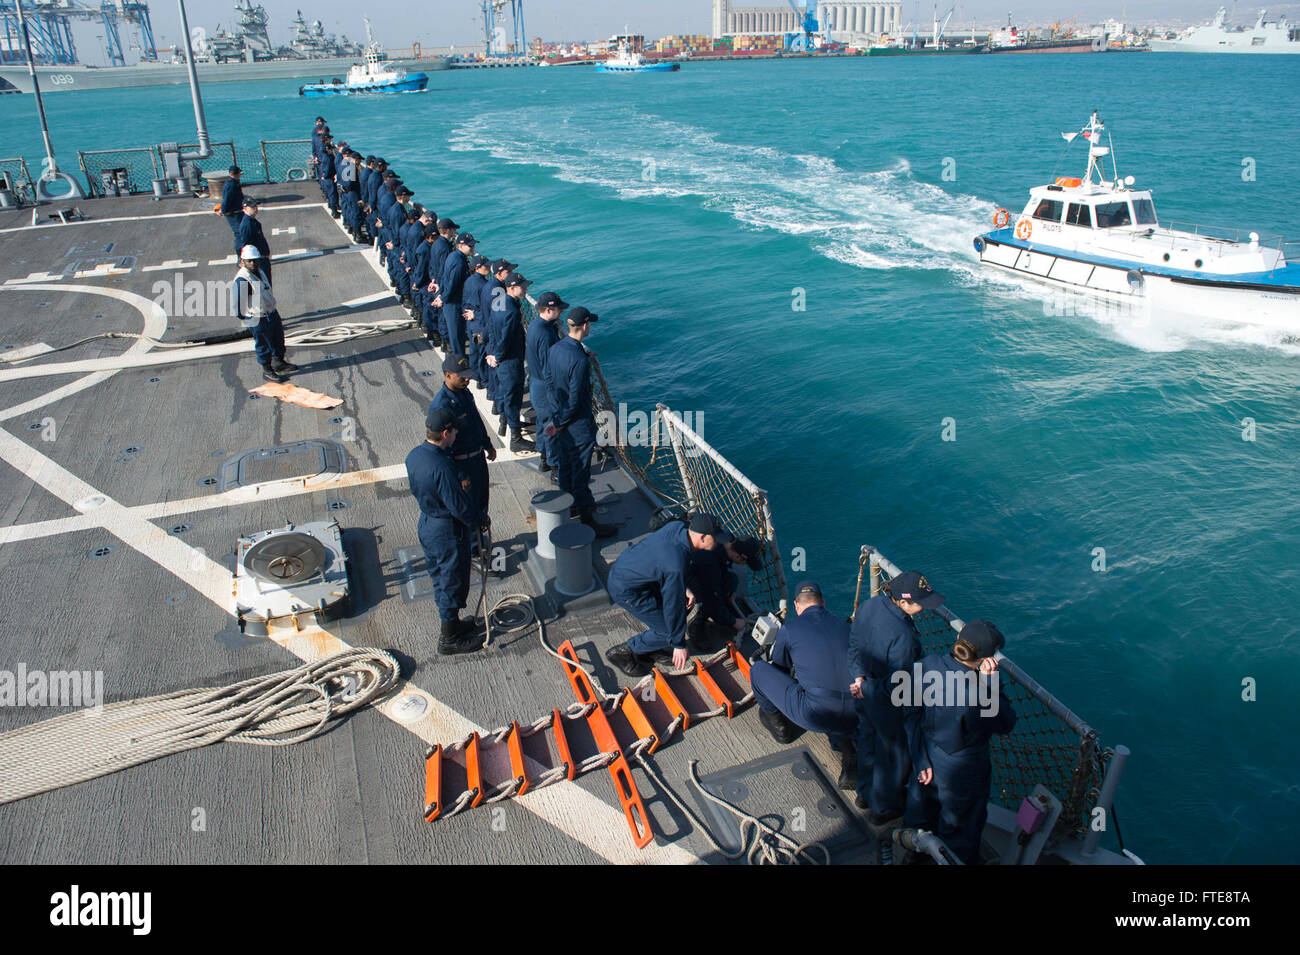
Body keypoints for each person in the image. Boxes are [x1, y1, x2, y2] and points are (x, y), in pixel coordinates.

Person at [907, 620, 1017, 865]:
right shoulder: (978, 693)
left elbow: (910, 713)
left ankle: (914, 854)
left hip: (928, 755)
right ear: (986, 659)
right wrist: (990, 683)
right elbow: (1005, 723)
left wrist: (920, 758)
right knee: (961, 830)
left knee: (920, 816)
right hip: (963, 771)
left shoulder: (927, 665)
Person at [848, 569, 941, 826]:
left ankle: (864, 794)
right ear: (903, 601)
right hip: (884, 702)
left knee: (867, 740)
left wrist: (859, 681)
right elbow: (897, 685)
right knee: (893, 754)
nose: (924, 606)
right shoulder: (905, 638)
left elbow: (854, 644)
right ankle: (883, 808)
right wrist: (868, 689)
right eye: (921, 602)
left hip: (862, 686)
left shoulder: (870, 605)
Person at [749, 581, 859, 789]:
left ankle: (780, 727)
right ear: (823, 603)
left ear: (796, 606)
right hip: (857, 713)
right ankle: (850, 754)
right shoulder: (848, 628)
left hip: (816, 714)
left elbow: (780, 670)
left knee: (759, 671)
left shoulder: (789, 629)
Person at [604, 512, 728, 677]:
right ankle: (624, 651)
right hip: (628, 589)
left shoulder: (677, 528)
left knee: (681, 608)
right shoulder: (675, 564)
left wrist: (685, 587)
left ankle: (654, 646)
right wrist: (678, 644)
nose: (719, 541)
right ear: (703, 537)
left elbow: (662, 560)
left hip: (635, 571)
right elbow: (672, 603)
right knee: (669, 632)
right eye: (716, 537)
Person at [405, 406, 483, 655]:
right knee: (452, 578)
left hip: (428, 523)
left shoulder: (415, 456)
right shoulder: (443, 467)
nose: (456, 436)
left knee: (440, 575)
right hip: (447, 530)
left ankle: (454, 624)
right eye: (454, 432)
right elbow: (459, 506)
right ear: (446, 433)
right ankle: (448, 639)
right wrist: (480, 520)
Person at [543, 306, 614, 536]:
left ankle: (568, 506)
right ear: (585, 326)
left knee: (565, 466)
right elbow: (575, 400)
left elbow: (550, 382)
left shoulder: (556, 349)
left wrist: (556, 418)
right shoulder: (580, 361)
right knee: (581, 472)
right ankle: (587, 520)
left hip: (559, 418)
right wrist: (563, 421)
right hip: (578, 425)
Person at [428, 353, 496, 528]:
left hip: (477, 458)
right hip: (462, 464)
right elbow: (441, 446)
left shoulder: (464, 393)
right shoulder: (442, 406)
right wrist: (460, 475)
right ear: (448, 375)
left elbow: (476, 421)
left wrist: (488, 444)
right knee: (469, 508)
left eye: (468, 376)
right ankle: (474, 548)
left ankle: (482, 542)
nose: (467, 380)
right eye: (462, 376)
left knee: (482, 502)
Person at [485, 272, 536, 455]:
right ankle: (516, 439)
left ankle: (505, 423)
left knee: (506, 393)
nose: (526, 289)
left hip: (500, 358)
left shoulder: (498, 303)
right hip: (510, 361)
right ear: (512, 287)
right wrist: (497, 356)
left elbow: (491, 328)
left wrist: (491, 353)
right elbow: (506, 339)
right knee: (513, 397)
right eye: (523, 286)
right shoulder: (512, 312)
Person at [231, 245, 297, 383]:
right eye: (249, 261)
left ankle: (278, 362)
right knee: (263, 345)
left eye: (255, 260)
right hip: (258, 317)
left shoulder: (260, 271)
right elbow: (237, 307)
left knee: (278, 339)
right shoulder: (242, 279)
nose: (253, 263)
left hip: (271, 313)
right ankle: (267, 370)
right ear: (243, 261)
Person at [686, 534, 762, 646]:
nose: (744, 564)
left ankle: (724, 613)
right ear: (739, 557)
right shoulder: (710, 563)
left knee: (731, 580)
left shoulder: (724, 543)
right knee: (708, 601)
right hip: (685, 584)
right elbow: (711, 598)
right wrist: (734, 622)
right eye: (745, 562)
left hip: (699, 573)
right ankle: (696, 626)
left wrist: (729, 593)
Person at [526, 290, 567, 473]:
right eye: (558, 309)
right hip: (545, 385)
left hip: (536, 382)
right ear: (549, 310)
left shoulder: (536, 325)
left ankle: (543, 457)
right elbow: (547, 365)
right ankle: (554, 466)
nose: (561, 312)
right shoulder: (544, 335)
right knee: (552, 425)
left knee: (543, 422)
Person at [434, 232, 476, 358]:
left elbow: (444, 277)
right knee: (457, 334)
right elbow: (453, 283)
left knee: (455, 334)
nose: (473, 248)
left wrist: (441, 294)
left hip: (450, 301)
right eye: (470, 246)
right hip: (454, 303)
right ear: (460, 246)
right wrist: (443, 298)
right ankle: (459, 362)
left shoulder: (452, 256)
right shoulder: (460, 263)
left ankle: (457, 359)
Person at [463, 254, 492, 383]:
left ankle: (476, 376)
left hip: (470, 322)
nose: (489, 267)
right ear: (478, 267)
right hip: (479, 323)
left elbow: (464, 301)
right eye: (486, 266)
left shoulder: (468, 281)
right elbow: (485, 308)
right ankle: (484, 380)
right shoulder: (485, 285)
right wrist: (477, 315)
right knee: (482, 353)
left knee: (474, 351)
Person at [236, 196, 272, 282]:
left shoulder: (252, 221)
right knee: (263, 287)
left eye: (256, 206)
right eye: (252, 207)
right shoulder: (247, 224)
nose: (255, 209)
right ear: (245, 209)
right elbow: (246, 245)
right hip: (258, 262)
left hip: (261, 260)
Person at [217, 165, 244, 249]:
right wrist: (223, 210)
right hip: (234, 213)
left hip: (235, 211)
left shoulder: (231, 183)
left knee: (241, 232)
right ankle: (240, 256)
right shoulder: (232, 185)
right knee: (239, 233)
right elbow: (227, 199)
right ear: (237, 174)